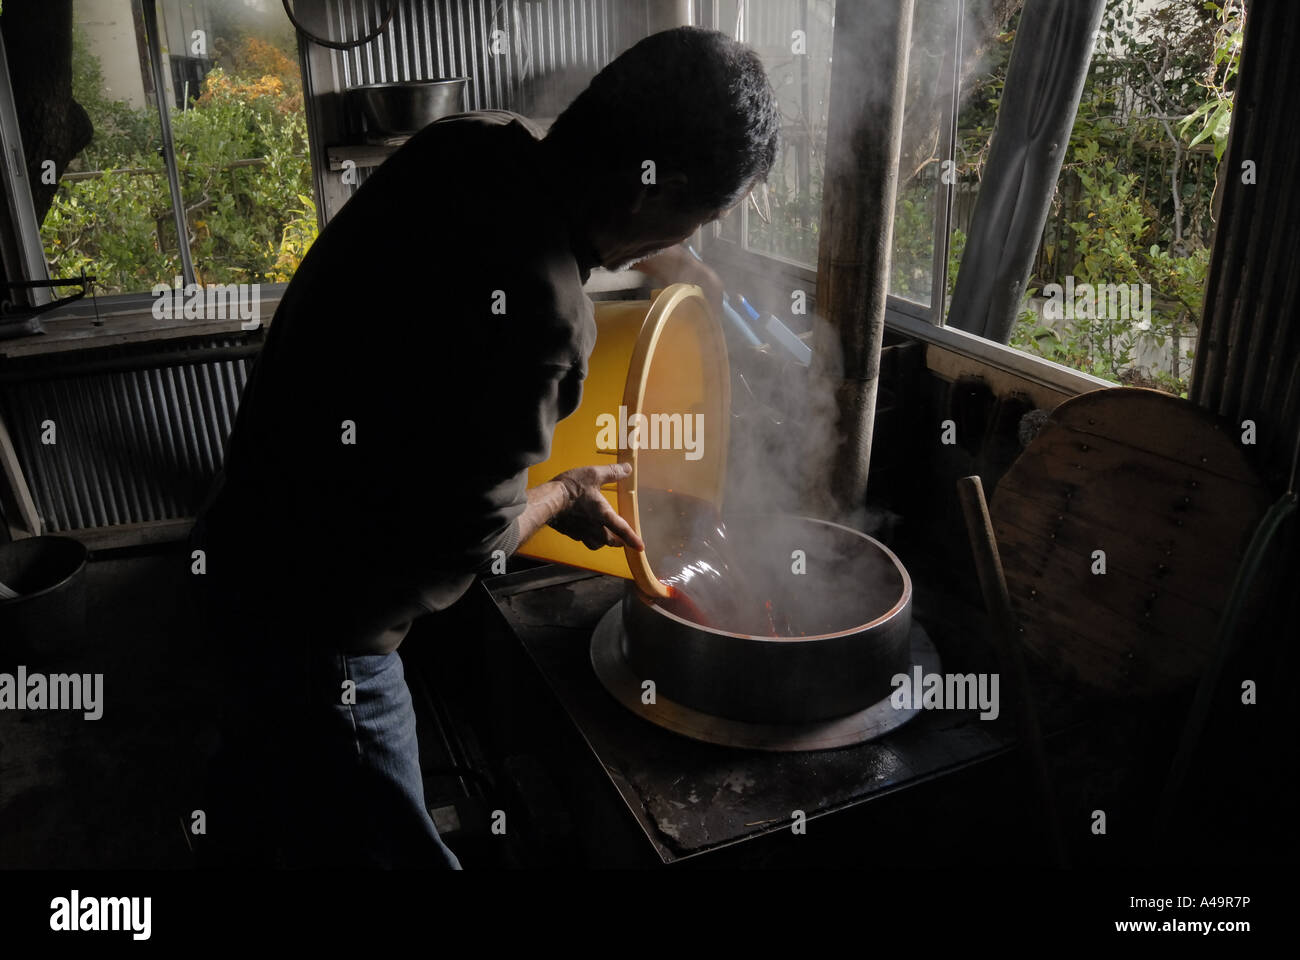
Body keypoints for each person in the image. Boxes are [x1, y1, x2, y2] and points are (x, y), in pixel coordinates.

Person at [192, 26, 780, 868]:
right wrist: (566, 494)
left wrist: (665, 256)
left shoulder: (465, 146)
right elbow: (467, 541)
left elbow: (552, 225)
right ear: (662, 189)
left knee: (262, 796)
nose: (694, 236)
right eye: (704, 217)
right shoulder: (544, 319)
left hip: (242, 533)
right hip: (320, 628)